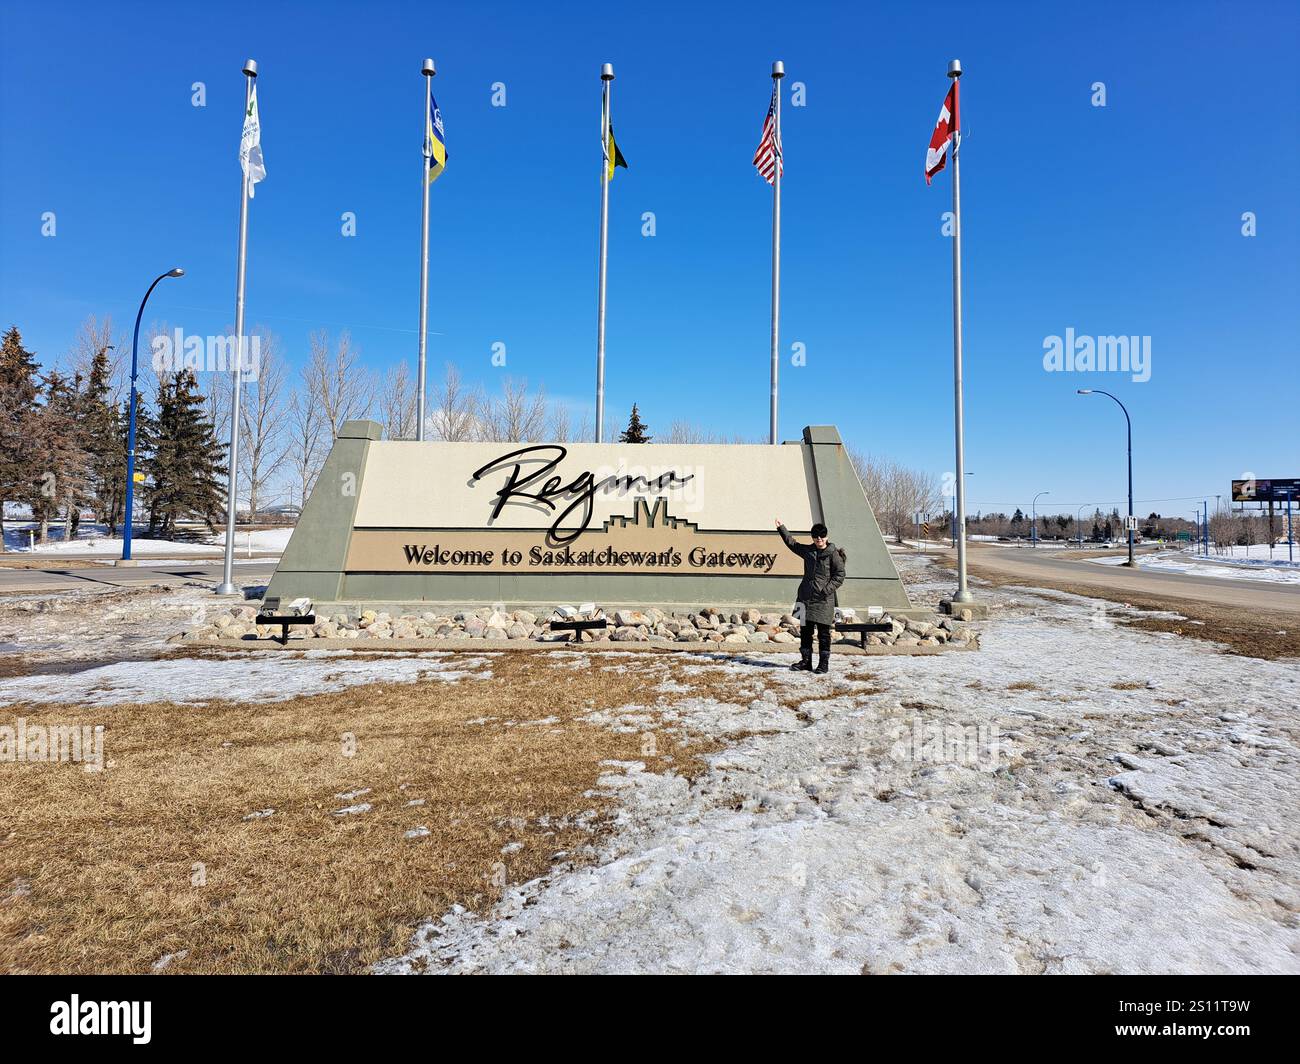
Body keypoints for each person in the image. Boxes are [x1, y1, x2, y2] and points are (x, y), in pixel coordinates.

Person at [775, 518, 847, 674]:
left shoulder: (833, 555)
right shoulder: (809, 551)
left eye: (821, 537)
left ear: (826, 537)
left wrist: (826, 590)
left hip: (823, 600)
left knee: (823, 634)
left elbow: (840, 575)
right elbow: (792, 544)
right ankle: (806, 662)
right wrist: (782, 528)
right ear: (813, 538)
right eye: (816, 537)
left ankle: (823, 664)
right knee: (805, 632)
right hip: (805, 598)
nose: (819, 540)